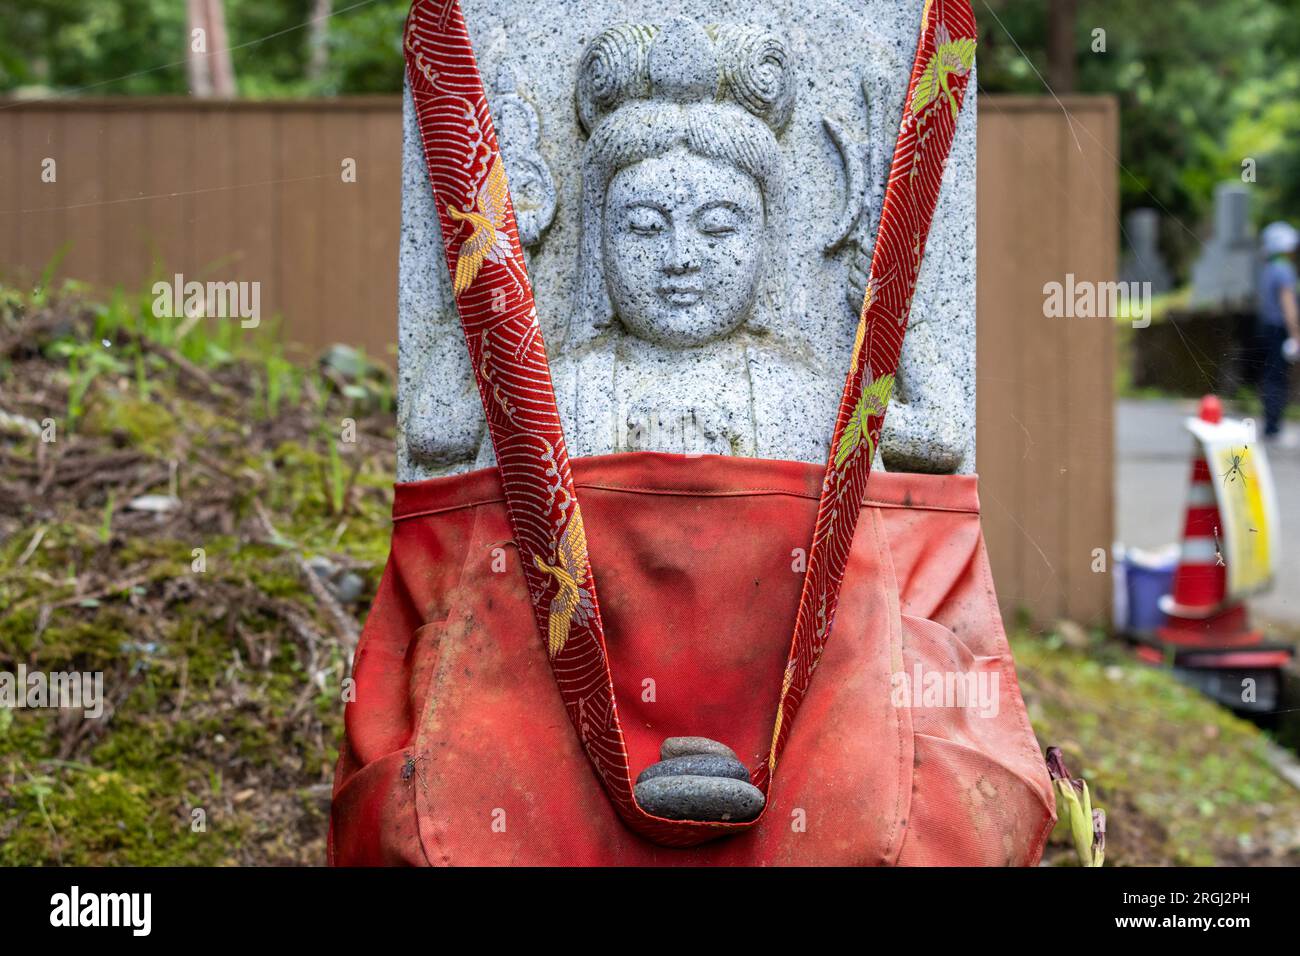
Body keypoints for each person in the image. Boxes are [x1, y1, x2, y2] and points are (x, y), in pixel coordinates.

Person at [1256, 221, 1300, 444]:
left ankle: (1270, 426)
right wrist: (1295, 335)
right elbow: (1288, 303)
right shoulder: (1284, 269)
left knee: (1270, 376)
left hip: (1266, 327)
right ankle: (1273, 429)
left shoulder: (1269, 268)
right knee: (1277, 378)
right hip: (1279, 329)